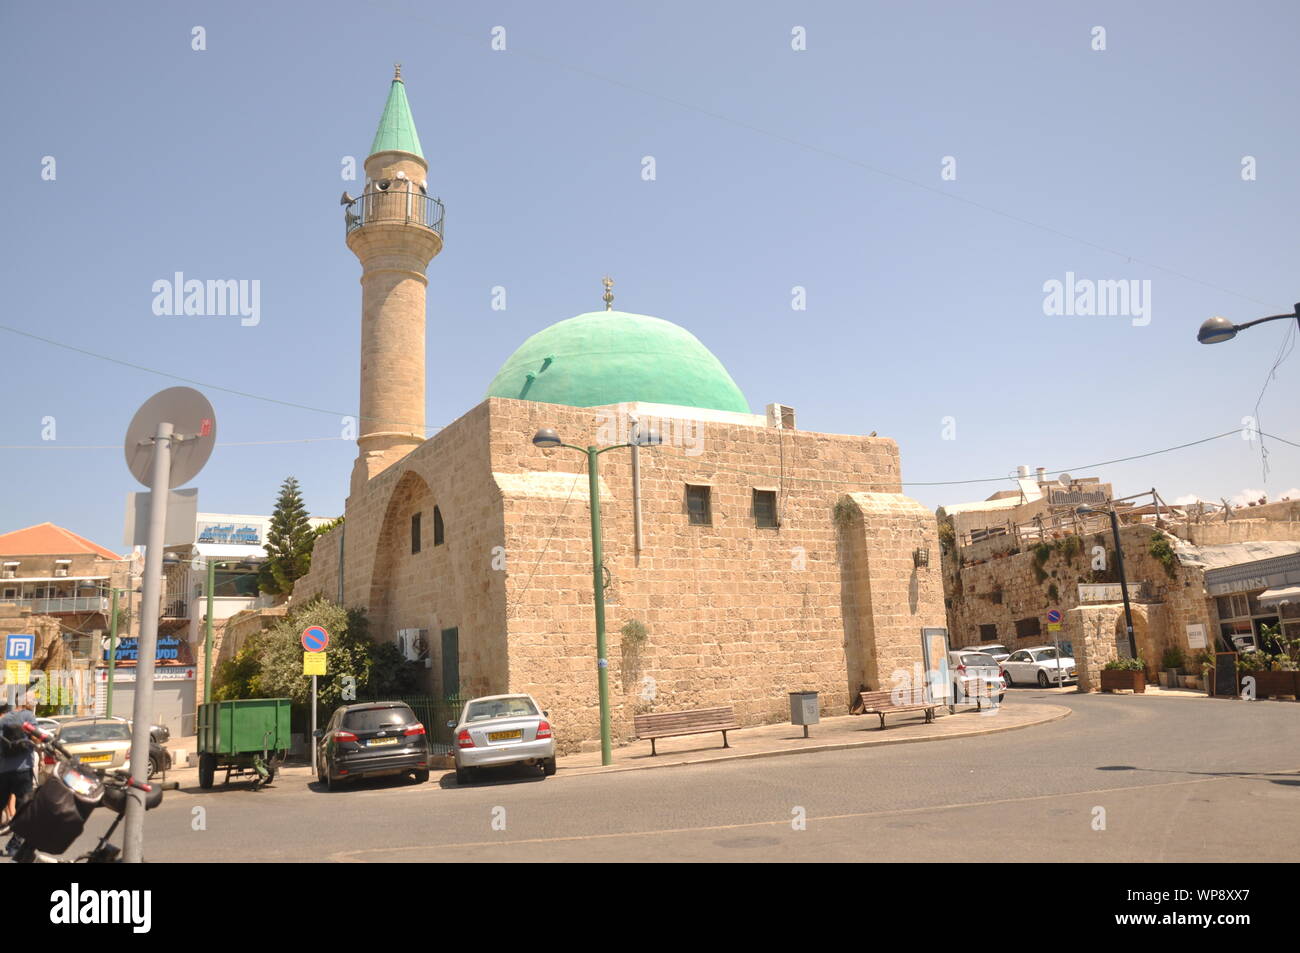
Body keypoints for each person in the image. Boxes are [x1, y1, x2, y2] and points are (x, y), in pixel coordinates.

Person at [0, 698, 37, 857]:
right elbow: (36, 737)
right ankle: (14, 846)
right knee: (24, 808)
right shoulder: (27, 716)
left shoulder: (1, 721)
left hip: (3, 770)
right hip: (23, 769)